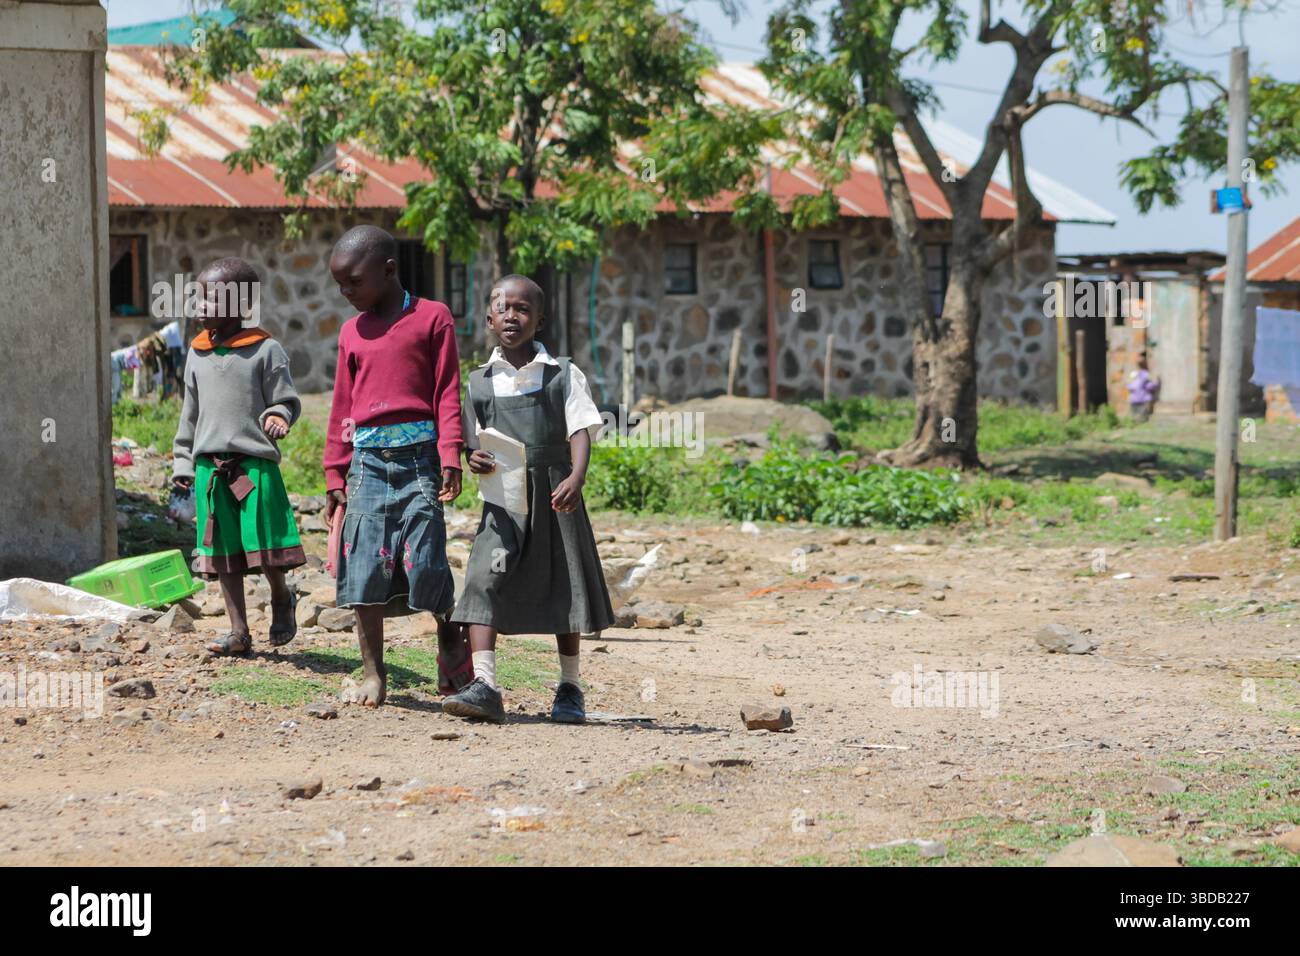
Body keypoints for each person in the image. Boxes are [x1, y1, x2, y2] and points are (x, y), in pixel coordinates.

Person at [444, 274, 614, 725]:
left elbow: (579, 428)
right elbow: (473, 439)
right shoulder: (479, 383)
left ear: (541, 320)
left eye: (522, 309)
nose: (511, 316)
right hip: (504, 498)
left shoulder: (561, 374)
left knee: (565, 585)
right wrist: (472, 457)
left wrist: (576, 476)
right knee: (483, 578)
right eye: (503, 309)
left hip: (556, 495)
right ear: (488, 320)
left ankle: (570, 687)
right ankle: (485, 685)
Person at [324, 225, 470, 707]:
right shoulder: (351, 332)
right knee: (362, 567)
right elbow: (343, 406)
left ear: (389, 270)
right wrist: (334, 472)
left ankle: (450, 638)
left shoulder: (433, 318)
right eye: (340, 285)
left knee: (427, 561)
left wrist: (451, 452)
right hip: (367, 464)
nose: (346, 293)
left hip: (421, 460)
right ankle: (373, 674)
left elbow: (447, 390)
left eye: (353, 282)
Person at [172, 258, 304, 656]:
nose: (201, 305)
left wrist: (280, 415)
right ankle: (238, 631)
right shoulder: (197, 354)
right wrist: (182, 461)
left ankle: (281, 596)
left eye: (212, 299)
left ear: (242, 304)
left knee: (264, 545)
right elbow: (189, 413)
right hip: (209, 467)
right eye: (199, 297)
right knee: (222, 551)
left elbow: (286, 399)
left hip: (254, 464)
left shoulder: (265, 349)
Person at [1127, 357, 1160, 422]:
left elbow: (1129, 386)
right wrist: (1157, 384)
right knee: (1143, 418)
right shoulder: (1145, 374)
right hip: (1143, 399)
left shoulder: (1134, 374)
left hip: (1134, 399)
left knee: (1135, 416)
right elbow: (1149, 386)